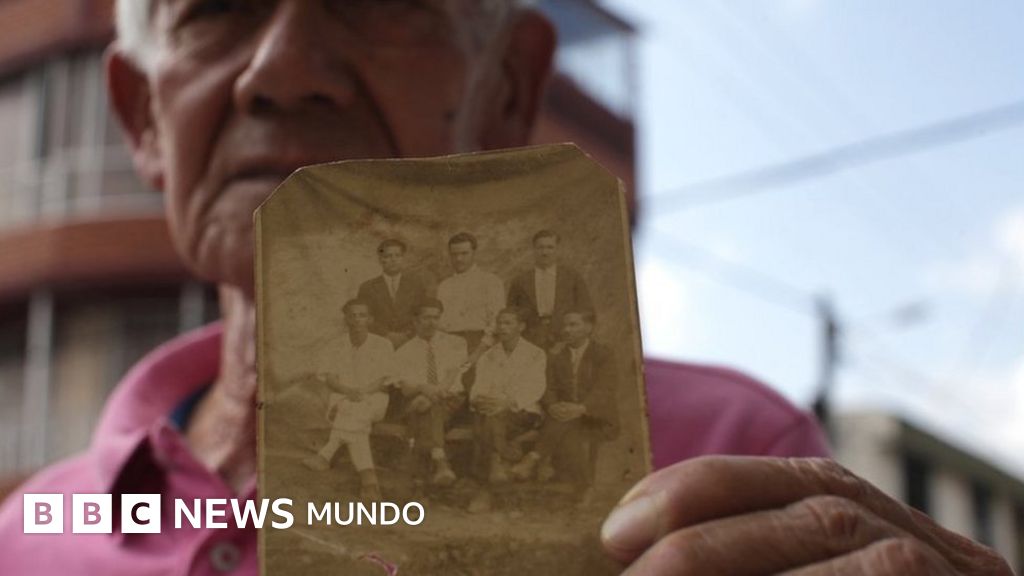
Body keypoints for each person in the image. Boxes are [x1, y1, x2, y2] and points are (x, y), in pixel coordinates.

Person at [0, 1, 1011, 574]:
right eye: (215, 6)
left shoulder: (725, 452)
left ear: (510, 91)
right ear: (139, 116)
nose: (287, 67)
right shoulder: (34, 534)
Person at [510, 309, 618, 488]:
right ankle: (583, 487)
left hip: (595, 416)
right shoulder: (556, 356)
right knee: (567, 429)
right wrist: (552, 406)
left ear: (589, 328)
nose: (566, 330)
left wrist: (581, 408)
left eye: (573, 325)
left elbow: (605, 389)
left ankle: (533, 459)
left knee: (563, 426)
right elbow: (548, 387)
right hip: (563, 415)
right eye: (564, 325)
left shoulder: (603, 354)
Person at [303, 299, 395, 501]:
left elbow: (384, 381)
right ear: (346, 319)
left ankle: (326, 453)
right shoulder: (334, 345)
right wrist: (349, 391)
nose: (357, 319)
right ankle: (369, 482)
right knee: (354, 416)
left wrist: (362, 392)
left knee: (356, 411)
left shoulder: (383, 344)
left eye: (362, 315)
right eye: (352, 315)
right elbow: (330, 379)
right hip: (341, 399)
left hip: (374, 399)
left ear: (370, 320)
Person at [394, 298, 469, 486]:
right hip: (418, 400)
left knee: (425, 408)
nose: (432, 323)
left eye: (436, 317)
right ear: (415, 321)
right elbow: (405, 388)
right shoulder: (404, 351)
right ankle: (440, 463)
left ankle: (417, 476)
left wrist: (432, 394)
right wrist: (422, 389)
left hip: (452, 400)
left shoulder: (455, 343)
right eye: (426, 318)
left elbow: (452, 376)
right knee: (426, 408)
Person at [470, 307, 547, 483]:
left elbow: (535, 387)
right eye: (499, 323)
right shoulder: (488, 355)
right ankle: (499, 464)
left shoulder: (535, 354)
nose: (502, 327)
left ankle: (495, 463)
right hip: (492, 410)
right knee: (490, 416)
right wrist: (480, 400)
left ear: (521, 326)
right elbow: (479, 386)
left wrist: (508, 402)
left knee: (490, 419)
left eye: (508, 323)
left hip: (523, 412)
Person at [507, 230, 592, 349]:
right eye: (540, 248)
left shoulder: (572, 277)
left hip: (564, 338)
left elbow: (586, 311)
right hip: (530, 339)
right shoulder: (520, 281)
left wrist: (573, 338)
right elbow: (511, 313)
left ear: (557, 250)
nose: (545, 252)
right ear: (533, 250)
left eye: (550, 247)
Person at [436, 232, 506, 352]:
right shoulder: (444, 286)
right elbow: (440, 324)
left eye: (464, 253)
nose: (459, 259)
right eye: (454, 254)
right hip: (450, 346)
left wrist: (479, 352)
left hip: (482, 345)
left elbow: (496, 321)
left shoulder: (491, 282)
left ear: (474, 253)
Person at [357, 238, 429, 348]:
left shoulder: (417, 285)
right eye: (388, 256)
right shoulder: (367, 287)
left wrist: (406, 335)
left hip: (410, 341)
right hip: (378, 341)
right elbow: (365, 317)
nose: (393, 260)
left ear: (403, 258)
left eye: (397, 255)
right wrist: (386, 334)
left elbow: (422, 314)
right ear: (380, 260)